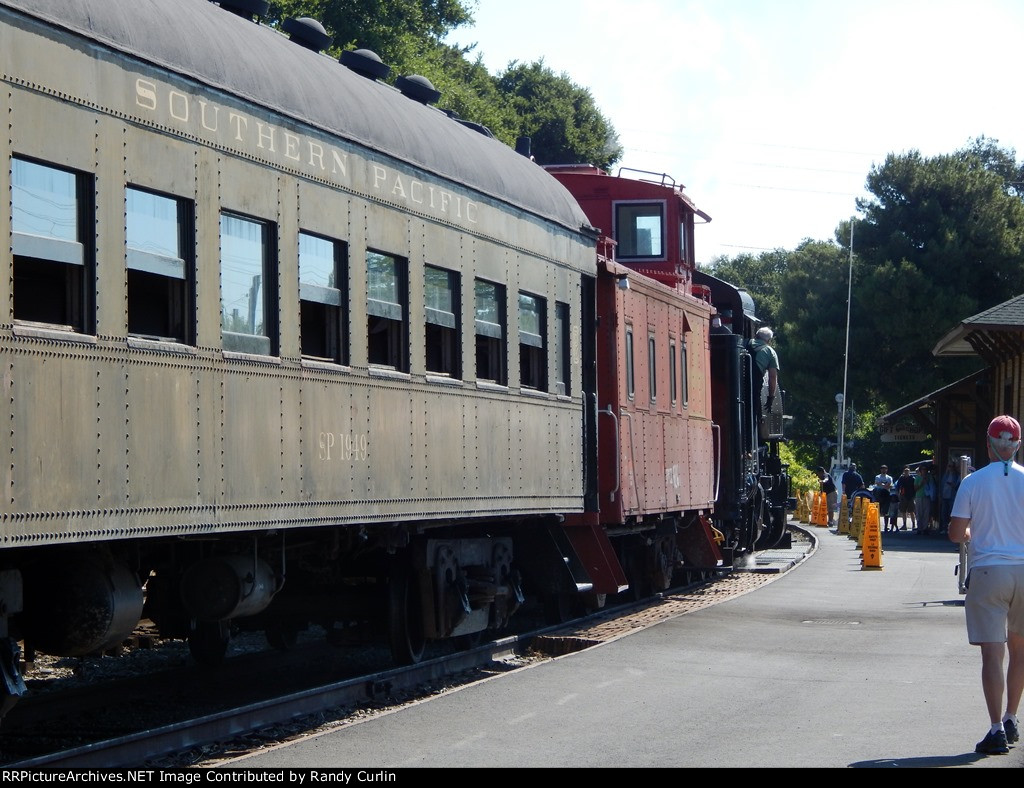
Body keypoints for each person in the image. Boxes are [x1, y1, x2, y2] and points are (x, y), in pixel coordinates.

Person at [948, 415, 1024, 755]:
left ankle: (995, 730)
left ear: (989, 444)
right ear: (1017, 445)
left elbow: (955, 533)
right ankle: (1012, 717)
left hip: (989, 571)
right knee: (1020, 652)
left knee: (992, 655)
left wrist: (970, 534)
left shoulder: (973, 482)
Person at [749, 326, 780, 411]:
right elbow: (772, 377)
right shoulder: (771, 352)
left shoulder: (744, 343)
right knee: (754, 411)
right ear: (769, 340)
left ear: (756, 336)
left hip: (735, 381)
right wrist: (771, 397)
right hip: (754, 386)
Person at [894, 466, 917, 531]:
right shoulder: (901, 478)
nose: (906, 472)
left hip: (911, 496)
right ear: (904, 472)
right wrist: (898, 494)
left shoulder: (912, 478)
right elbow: (898, 486)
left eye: (907, 471)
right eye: (905, 471)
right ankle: (904, 525)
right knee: (903, 511)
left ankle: (914, 524)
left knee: (911, 511)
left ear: (909, 472)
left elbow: (915, 488)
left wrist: (914, 496)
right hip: (903, 496)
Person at [941, 461, 960, 535]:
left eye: (951, 466)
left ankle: (951, 529)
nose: (950, 468)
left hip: (952, 496)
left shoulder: (956, 475)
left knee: (951, 513)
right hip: (944, 496)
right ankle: (944, 528)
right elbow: (942, 485)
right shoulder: (945, 475)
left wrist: (952, 485)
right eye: (949, 466)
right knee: (944, 513)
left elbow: (957, 486)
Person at [874, 465, 894, 531]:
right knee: (877, 511)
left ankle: (886, 526)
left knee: (886, 512)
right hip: (879, 495)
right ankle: (877, 526)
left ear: (887, 470)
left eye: (885, 469)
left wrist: (883, 485)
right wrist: (885, 485)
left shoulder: (889, 477)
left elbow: (890, 485)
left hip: (887, 495)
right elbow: (877, 483)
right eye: (882, 469)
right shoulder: (878, 477)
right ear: (880, 470)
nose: (884, 470)